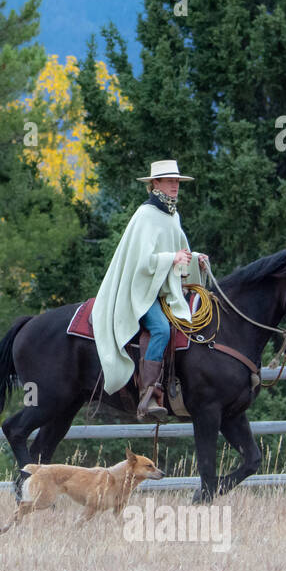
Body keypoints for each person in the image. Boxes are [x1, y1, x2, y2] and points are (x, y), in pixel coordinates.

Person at [90, 160, 209, 420]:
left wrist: (195, 257)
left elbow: (180, 251)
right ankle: (149, 394)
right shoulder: (145, 215)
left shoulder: (171, 215)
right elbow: (141, 263)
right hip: (140, 292)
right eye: (169, 181)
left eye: (177, 181)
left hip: (164, 291)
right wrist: (171, 259)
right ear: (155, 183)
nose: (175, 186)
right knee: (160, 329)